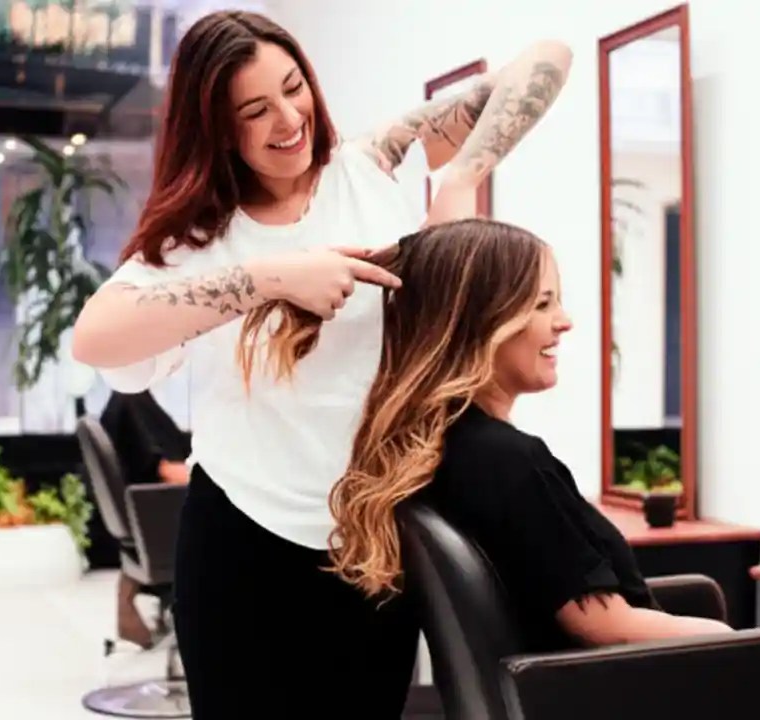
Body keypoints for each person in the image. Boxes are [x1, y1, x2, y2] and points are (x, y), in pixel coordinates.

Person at [70, 9, 573, 717]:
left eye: (293, 86)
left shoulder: (370, 165)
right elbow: (93, 337)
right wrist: (272, 278)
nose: (288, 119)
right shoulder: (196, 242)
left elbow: (547, 56)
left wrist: (462, 177)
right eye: (255, 110)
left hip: (373, 544)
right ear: (217, 128)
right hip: (242, 546)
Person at [241, 218, 733, 653]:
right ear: (482, 323)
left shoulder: (445, 447)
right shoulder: (508, 461)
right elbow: (608, 628)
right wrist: (738, 644)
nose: (564, 322)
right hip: (614, 691)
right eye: (542, 304)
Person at [97, 390, 189, 649]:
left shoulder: (131, 401)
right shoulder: (131, 405)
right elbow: (169, 471)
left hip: (149, 527)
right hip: (163, 525)